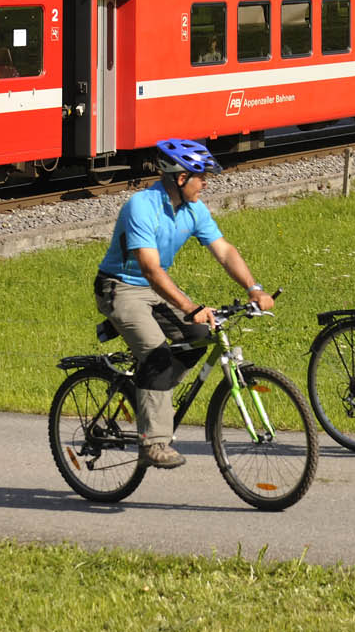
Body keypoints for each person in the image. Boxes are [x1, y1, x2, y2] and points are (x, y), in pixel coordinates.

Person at [94, 138, 275, 469]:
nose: (206, 183)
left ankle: (149, 394)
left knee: (197, 337)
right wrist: (191, 307)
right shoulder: (142, 206)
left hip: (154, 288)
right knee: (158, 354)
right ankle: (154, 442)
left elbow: (224, 251)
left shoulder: (194, 209)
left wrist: (254, 287)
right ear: (180, 177)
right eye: (201, 176)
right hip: (119, 287)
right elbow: (149, 268)